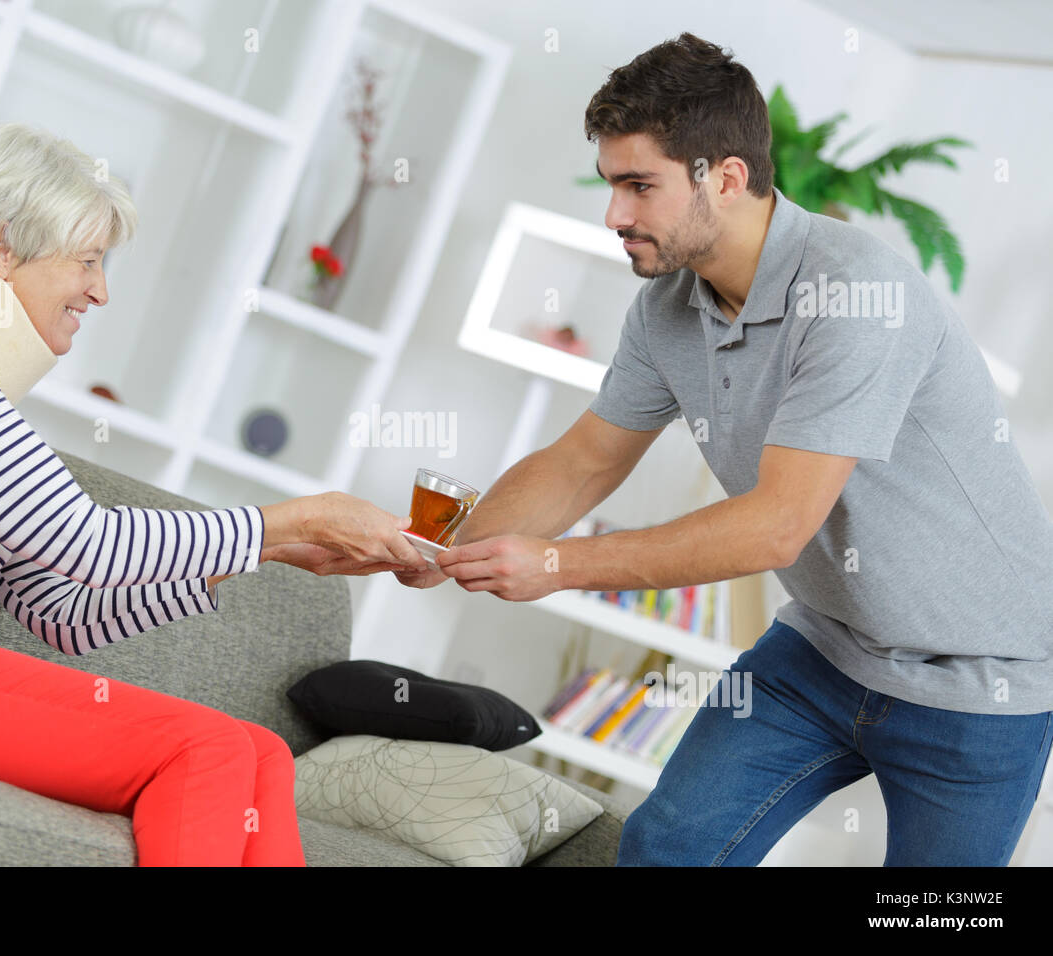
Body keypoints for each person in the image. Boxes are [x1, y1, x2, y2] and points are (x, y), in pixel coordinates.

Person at [397, 33, 1053, 866]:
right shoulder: (668, 307)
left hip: (980, 685)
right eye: (611, 185)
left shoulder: (855, 295)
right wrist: (448, 542)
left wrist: (556, 565)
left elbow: (775, 526)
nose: (614, 216)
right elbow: (586, 459)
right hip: (823, 649)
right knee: (666, 849)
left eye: (640, 186)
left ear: (727, 178)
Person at [0, 122, 428, 867]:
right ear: (3, 247)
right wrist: (289, 519)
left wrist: (265, 549)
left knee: (260, 750)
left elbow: (63, 615)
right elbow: (88, 543)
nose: (101, 290)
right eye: (88, 260)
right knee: (206, 748)